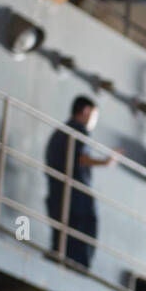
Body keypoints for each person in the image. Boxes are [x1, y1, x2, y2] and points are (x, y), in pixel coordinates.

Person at [44, 96, 116, 269]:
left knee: (62, 238)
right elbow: (81, 159)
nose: (94, 120)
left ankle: (59, 261)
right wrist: (105, 162)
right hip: (76, 197)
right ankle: (76, 269)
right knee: (81, 239)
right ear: (86, 111)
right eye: (94, 115)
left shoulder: (60, 132)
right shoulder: (79, 131)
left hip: (57, 193)